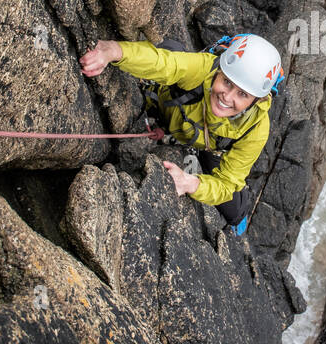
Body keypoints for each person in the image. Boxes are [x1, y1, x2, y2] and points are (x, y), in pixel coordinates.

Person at [79, 34, 283, 233]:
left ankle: (241, 209)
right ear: (219, 71)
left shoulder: (255, 129)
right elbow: (165, 63)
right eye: (227, 82)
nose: (227, 97)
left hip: (208, 145)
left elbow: (227, 184)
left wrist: (191, 183)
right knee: (170, 50)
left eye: (242, 94)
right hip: (166, 111)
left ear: (258, 100)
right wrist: (114, 51)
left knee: (234, 209)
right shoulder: (205, 69)